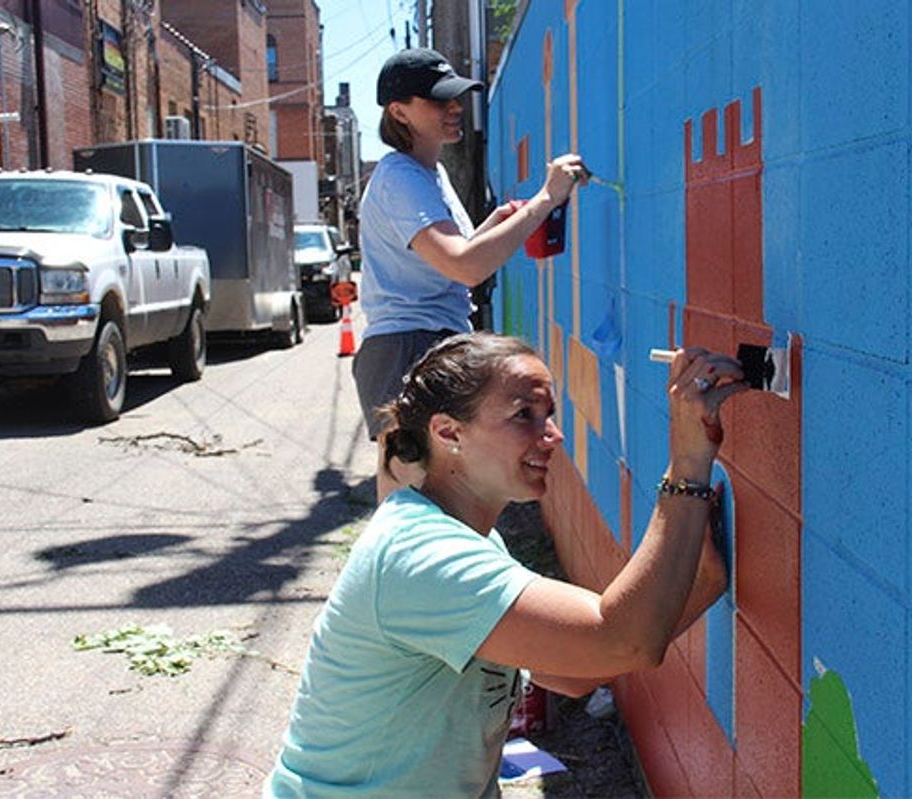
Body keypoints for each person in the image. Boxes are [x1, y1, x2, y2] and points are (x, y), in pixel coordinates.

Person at [266, 332, 749, 797]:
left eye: (549, 415)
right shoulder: (425, 557)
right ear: (448, 432)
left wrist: (703, 582)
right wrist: (688, 460)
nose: (553, 435)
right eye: (524, 415)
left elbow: (574, 674)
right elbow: (621, 641)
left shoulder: (471, 540)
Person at [353, 48, 589, 501]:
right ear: (399, 111)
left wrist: (496, 224)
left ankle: (409, 572)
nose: (455, 107)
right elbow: (464, 264)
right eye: (440, 100)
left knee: (433, 494)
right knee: (413, 496)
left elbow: (453, 264)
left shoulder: (429, 172)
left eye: (456, 98)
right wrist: (546, 199)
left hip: (427, 338)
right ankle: (397, 574)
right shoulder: (400, 176)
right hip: (407, 343)